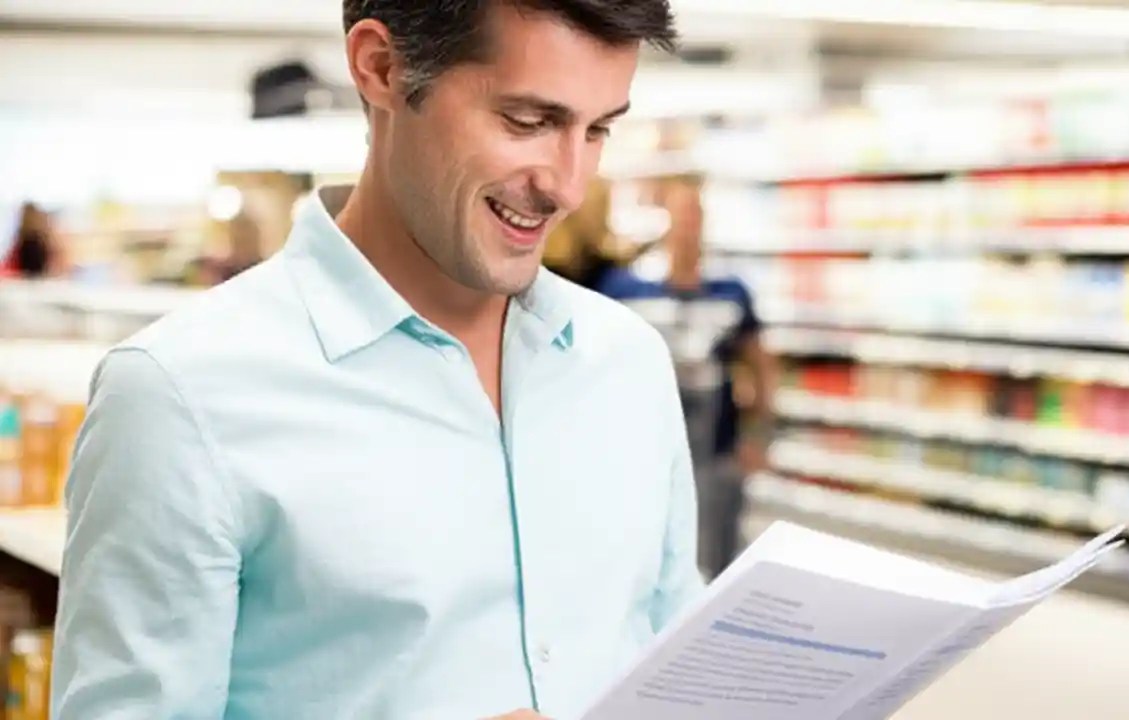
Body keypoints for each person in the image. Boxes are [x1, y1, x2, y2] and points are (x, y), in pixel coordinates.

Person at [51, 3, 697, 719]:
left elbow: (678, 670)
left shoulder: (629, 363)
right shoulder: (179, 394)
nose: (569, 186)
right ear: (382, 68)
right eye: (527, 122)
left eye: (599, 130)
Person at [599, 176, 779, 577]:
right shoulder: (626, 289)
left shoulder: (730, 292)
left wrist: (758, 436)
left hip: (716, 448)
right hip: (641, 450)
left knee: (715, 552)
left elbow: (761, 365)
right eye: (679, 214)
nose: (687, 225)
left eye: (695, 214)